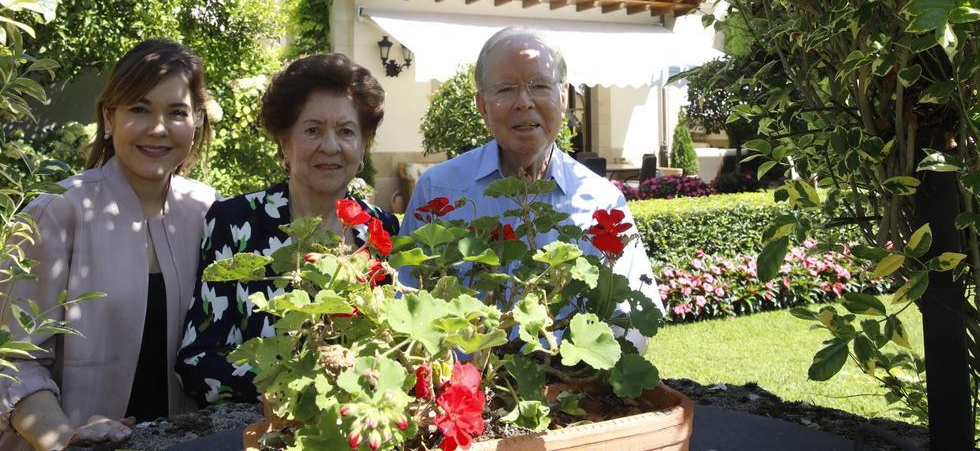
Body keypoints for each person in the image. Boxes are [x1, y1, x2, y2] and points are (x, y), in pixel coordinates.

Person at [0, 39, 217, 451]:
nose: (158, 128)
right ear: (109, 118)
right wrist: (65, 438)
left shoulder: (207, 211)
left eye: (176, 112)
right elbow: (11, 362)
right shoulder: (56, 213)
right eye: (139, 109)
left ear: (196, 122)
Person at [399, 27, 664, 330]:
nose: (524, 102)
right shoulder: (438, 189)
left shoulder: (602, 200)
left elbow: (629, 319)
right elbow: (406, 300)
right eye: (505, 89)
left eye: (539, 85)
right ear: (482, 106)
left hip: (572, 375)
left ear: (563, 97)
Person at [176, 53, 398, 405]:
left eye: (346, 131)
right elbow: (198, 362)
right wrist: (304, 382)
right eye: (313, 130)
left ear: (363, 144)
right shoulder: (235, 223)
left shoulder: (381, 229)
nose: (331, 146)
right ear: (284, 141)